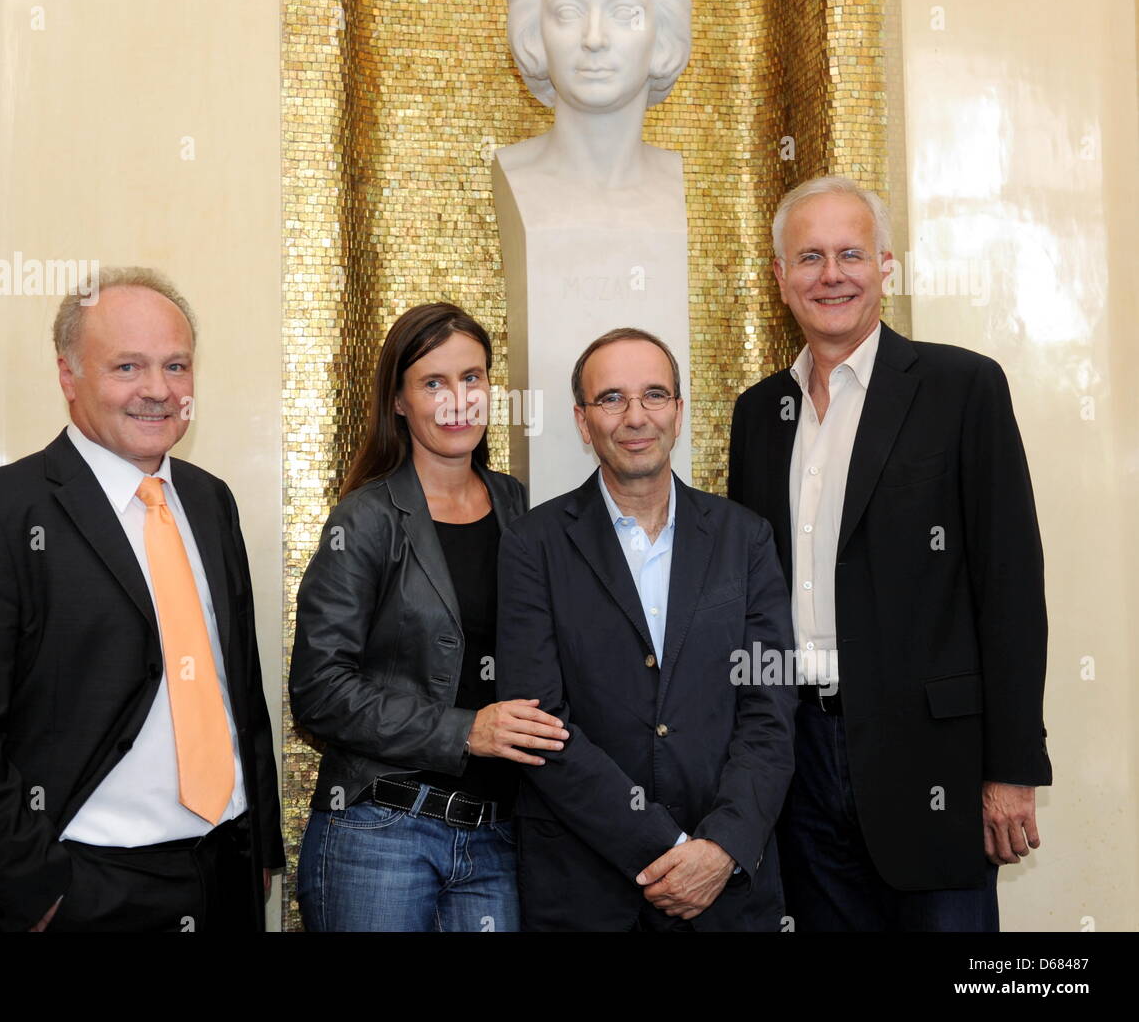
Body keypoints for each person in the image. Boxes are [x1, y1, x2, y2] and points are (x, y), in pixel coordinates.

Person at [0, 268, 284, 931]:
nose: (158, 390)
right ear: (68, 374)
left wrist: (261, 849)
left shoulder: (210, 500)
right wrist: (39, 890)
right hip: (82, 890)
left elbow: (239, 690)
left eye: (176, 365)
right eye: (127, 366)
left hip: (222, 878)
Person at [728, 175, 1052, 931]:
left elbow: (1009, 583)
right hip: (796, 756)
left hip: (933, 758)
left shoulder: (961, 387)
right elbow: (749, 594)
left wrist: (1010, 769)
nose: (831, 274)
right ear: (780, 278)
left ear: (886, 266)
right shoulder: (758, 413)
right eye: (808, 257)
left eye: (851, 253)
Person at [496, 328, 796, 931]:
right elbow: (538, 726)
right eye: (611, 399)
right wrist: (668, 847)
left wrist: (719, 849)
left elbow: (771, 710)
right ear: (583, 423)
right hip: (585, 888)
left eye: (654, 395)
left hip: (727, 885)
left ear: (679, 413)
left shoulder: (747, 539)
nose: (636, 417)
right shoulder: (532, 545)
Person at [290, 303, 564, 932]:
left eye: (472, 378)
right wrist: (465, 730)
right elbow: (318, 691)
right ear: (398, 401)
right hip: (382, 832)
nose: (458, 400)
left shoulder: (518, 507)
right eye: (433, 383)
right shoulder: (364, 519)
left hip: (496, 835)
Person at [496, 0, 692, 231]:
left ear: (663, 34)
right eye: (568, 11)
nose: (594, 38)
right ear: (534, 33)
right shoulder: (514, 175)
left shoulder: (673, 180)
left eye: (625, 13)